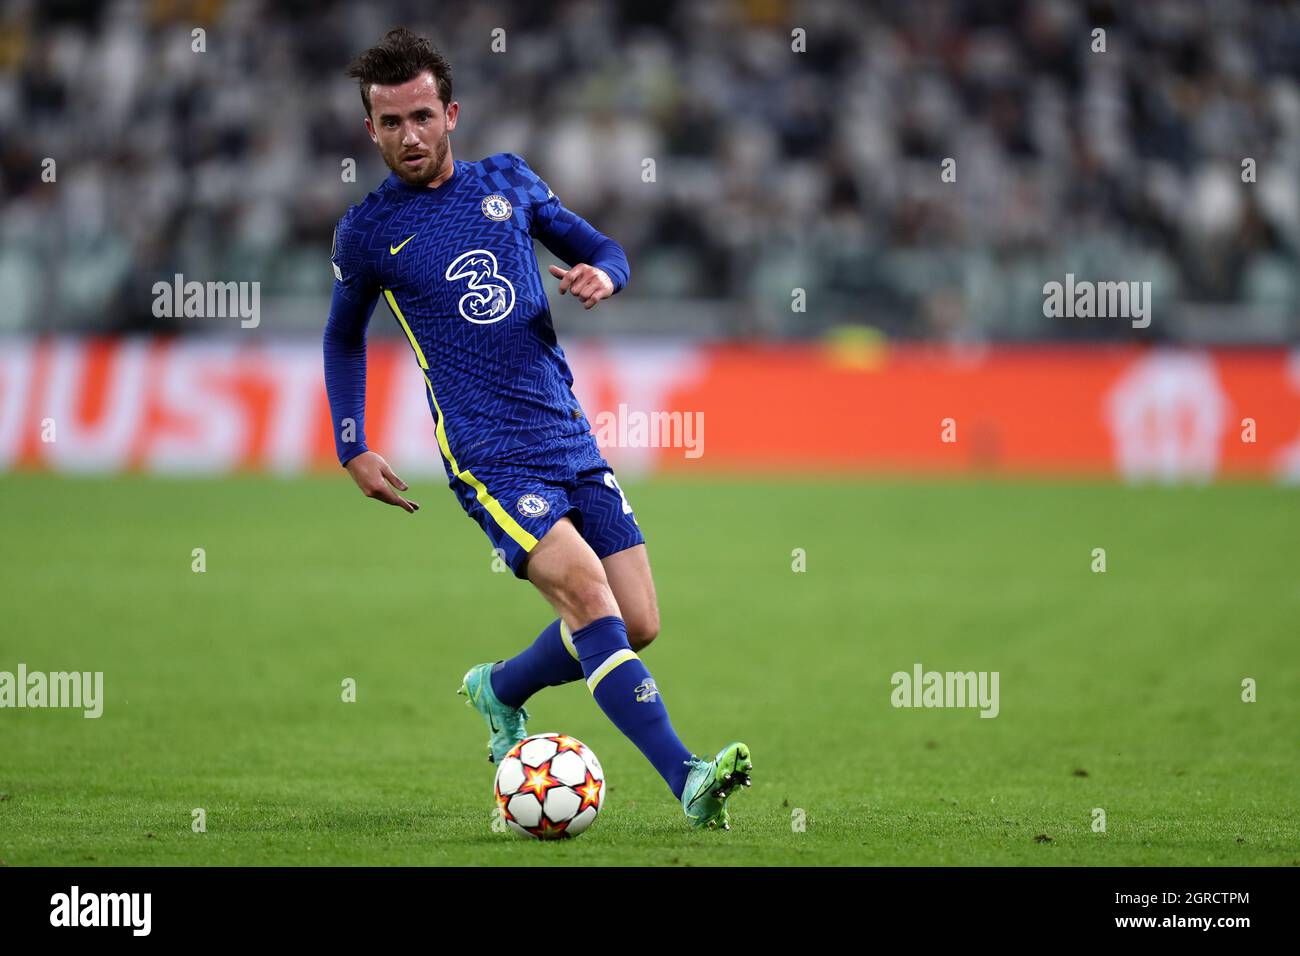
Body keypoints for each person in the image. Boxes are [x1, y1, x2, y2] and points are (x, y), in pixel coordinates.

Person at [322, 28, 750, 830]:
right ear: (369, 131)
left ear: (451, 112)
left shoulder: (508, 182)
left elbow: (605, 247)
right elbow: (343, 336)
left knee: (639, 621)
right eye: (390, 123)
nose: (409, 136)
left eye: (422, 115)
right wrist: (352, 442)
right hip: (488, 452)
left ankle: (501, 687)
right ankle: (687, 777)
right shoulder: (368, 232)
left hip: (568, 434)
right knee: (590, 598)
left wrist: (604, 274)